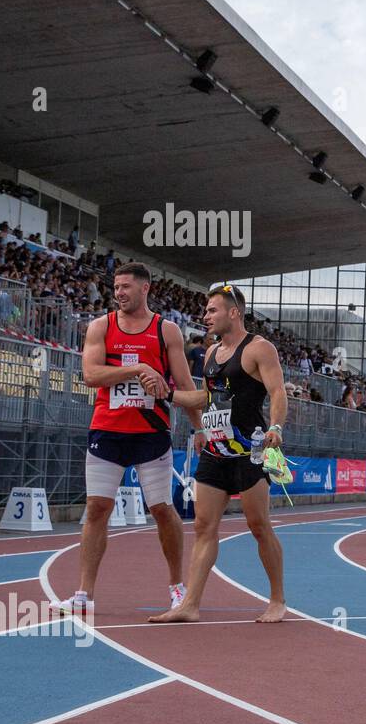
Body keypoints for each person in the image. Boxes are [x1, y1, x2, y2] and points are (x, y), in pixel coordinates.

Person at [51, 263, 199, 615]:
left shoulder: (167, 331)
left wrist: (199, 428)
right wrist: (137, 369)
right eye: (116, 287)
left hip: (151, 433)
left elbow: (186, 385)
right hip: (108, 430)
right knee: (96, 509)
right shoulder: (102, 326)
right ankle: (84, 594)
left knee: (162, 510)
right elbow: (90, 375)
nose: (118, 293)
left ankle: (178, 588)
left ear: (145, 288)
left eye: (125, 287)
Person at [150, 283, 287, 624]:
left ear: (234, 312)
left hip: (250, 450)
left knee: (258, 525)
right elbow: (205, 399)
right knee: (203, 527)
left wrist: (276, 427)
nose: (206, 316)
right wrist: (167, 394)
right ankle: (190, 605)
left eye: (212, 310)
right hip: (215, 450)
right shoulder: (211, 354)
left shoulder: (259, 348)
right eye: (206, 310)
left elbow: (278, 391)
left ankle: (277, 600)